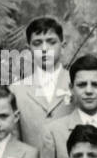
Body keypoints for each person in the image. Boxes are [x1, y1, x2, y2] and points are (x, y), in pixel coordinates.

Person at [10, 16, 73, 150]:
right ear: (29, 49)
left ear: (63, 46)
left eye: (51, 42)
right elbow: (14, 140)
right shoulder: (17, 90)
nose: (44, 48)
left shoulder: (77, 84)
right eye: (37, 43)